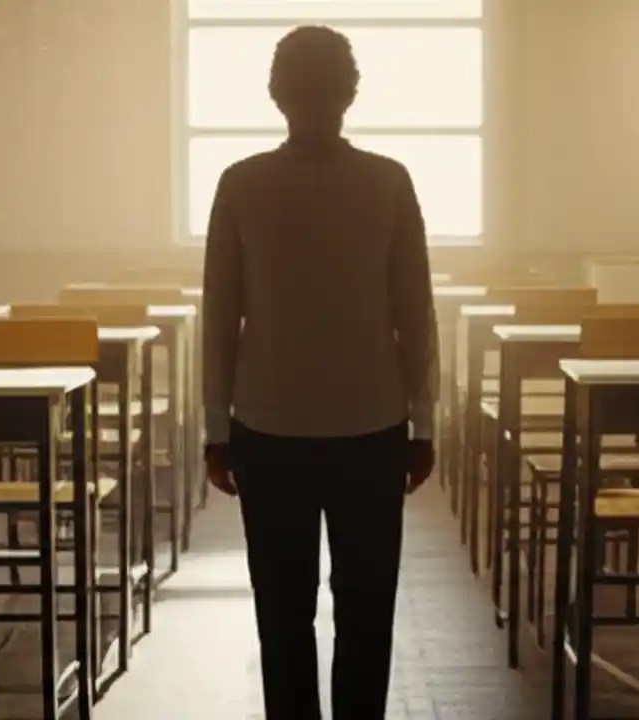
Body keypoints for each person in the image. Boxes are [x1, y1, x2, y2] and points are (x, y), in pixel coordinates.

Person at [201, 25, 440, 720]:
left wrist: (216, 429)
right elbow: (415, 312)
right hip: (372, 423)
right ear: (350, 93)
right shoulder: (388, 181)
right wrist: (425, 422)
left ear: (277, 94)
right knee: (367, 610)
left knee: (282, 616)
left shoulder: (241, 183)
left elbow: (221, 316)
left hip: (268, 425)